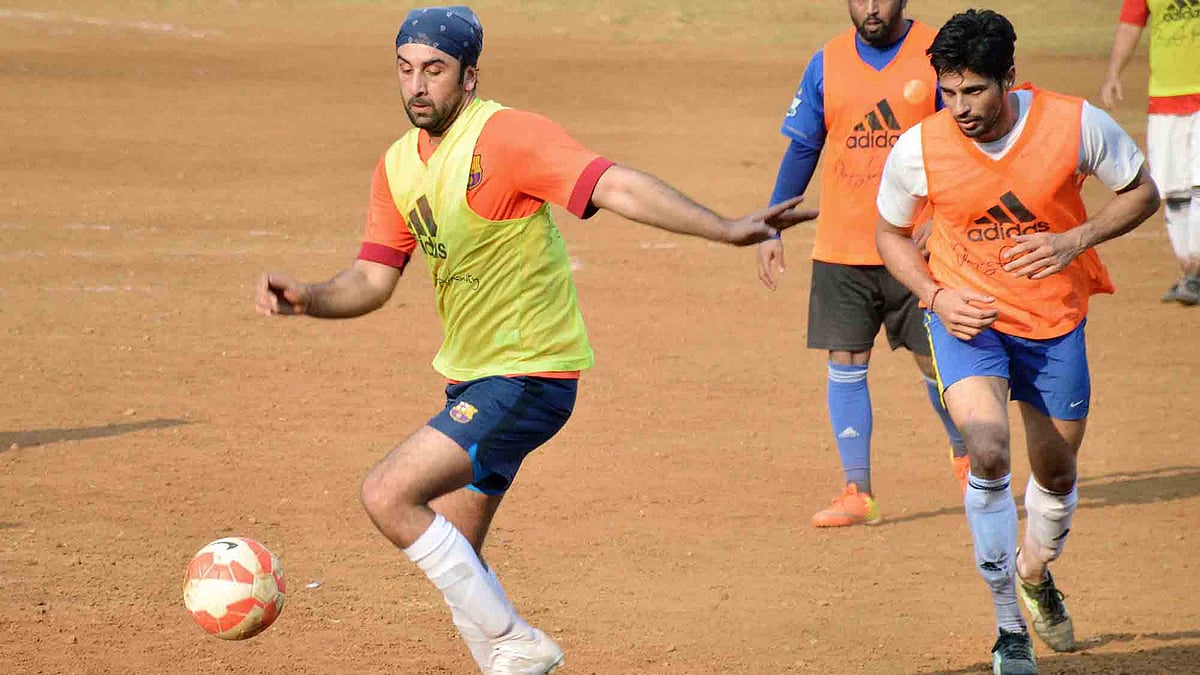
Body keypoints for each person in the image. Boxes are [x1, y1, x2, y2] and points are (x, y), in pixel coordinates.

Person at [254, 6, 814, 674]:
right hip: (476, 375)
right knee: (460, 555)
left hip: (528, 374)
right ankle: (508, 661)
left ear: (468, 76)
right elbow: (374, 278)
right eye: (405, 70)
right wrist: (310, 298)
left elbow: (616, 184)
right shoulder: (398, 166)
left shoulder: (508, 137)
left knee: (388, 494)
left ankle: (518, 644)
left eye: (434, 70)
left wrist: (724, 227)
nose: (416, 87)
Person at [874, 9, 1160, 674]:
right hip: (965, 316)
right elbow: (889, 233)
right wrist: (936, 295)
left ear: (1009, 78)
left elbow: (1141, 191)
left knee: (1055, 473)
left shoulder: (1074, 123)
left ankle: (1034, 571)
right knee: (988, 446)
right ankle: (1007, 625)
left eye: (974, 90)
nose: (959, 107)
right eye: (948, 91)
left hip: (1054, 319)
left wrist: (1073, 240)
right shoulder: (919, 147)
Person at [757, 0, 968, 529]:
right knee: (845, 362)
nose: (871, 8)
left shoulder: (940, 51)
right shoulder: (825, 62)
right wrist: (772, 224)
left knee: (934, 365)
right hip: (841, 247)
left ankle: (968, 456)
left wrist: (940, 216)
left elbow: (967, 140)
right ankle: (858, 491)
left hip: (917, 249)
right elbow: (804, 146)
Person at [1100, 0, 1200, 305]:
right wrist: (1114, 73)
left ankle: (1196, 272)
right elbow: (1131, 24)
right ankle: (1189, 273)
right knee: (1172, 190)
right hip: (1164, 98)